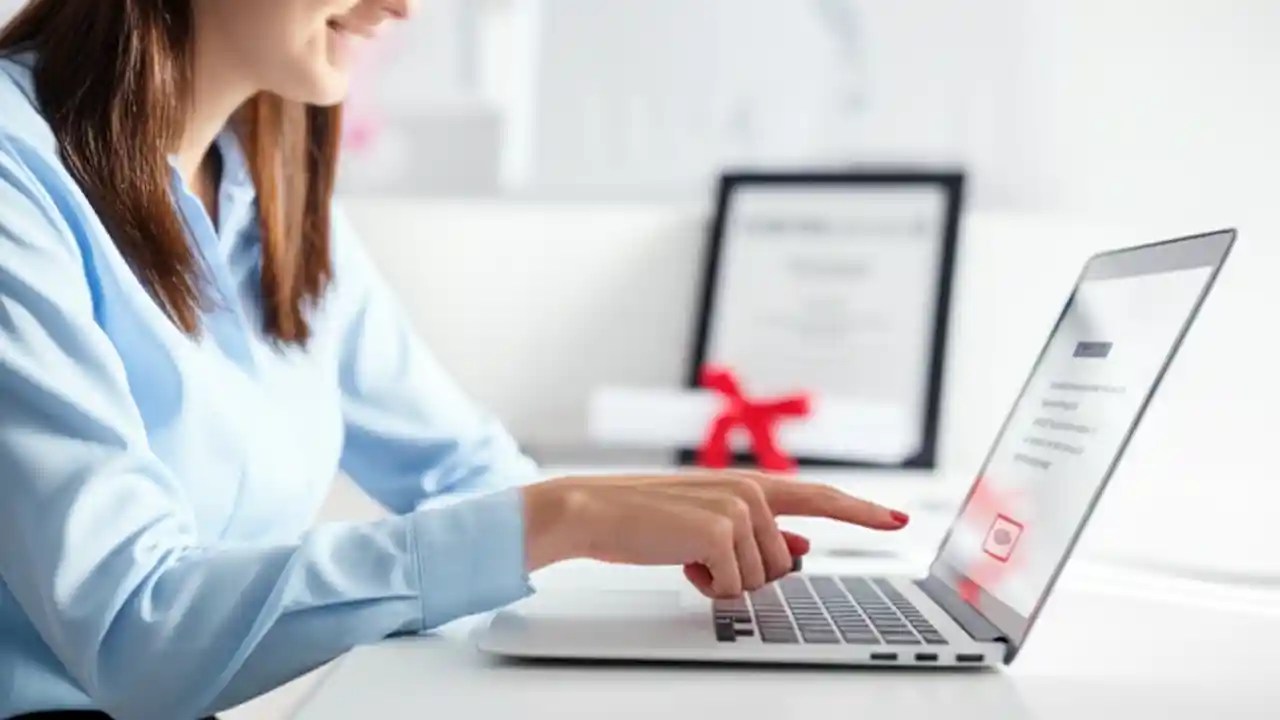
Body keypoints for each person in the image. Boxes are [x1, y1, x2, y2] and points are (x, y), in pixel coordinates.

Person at [0, 1, 911, 717]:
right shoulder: (16, 174)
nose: (403, 8)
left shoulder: (263, 173)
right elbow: (132, 631)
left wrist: (659, 557)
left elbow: (462, 469)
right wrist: (562, 519)